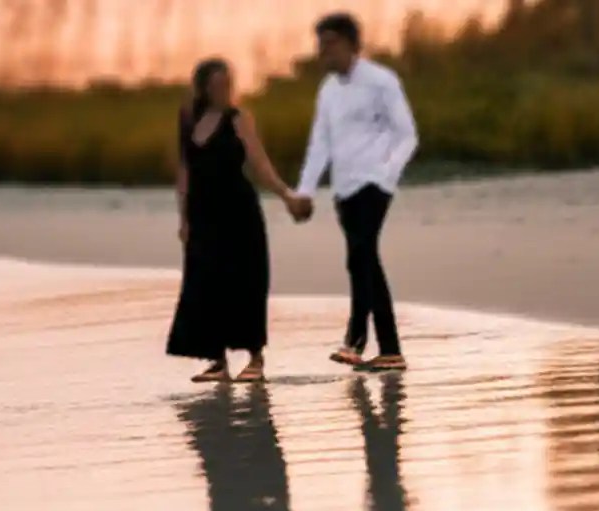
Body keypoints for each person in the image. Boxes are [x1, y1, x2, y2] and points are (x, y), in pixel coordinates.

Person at [167, 58, 310, 383]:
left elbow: (260, 164)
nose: (223, 91)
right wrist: (184, 218)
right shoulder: (189, 118)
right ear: (203, 87)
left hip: (238, 213)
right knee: (204, 283)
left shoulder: (239, 118)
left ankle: (255, 358)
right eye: (217, 85)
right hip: (203, 215)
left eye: (227, 85)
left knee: (245, 282)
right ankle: (217, 360)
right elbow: (184, 171)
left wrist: (286, 195)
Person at [292, 13, 418, 372]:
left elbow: (407, 133)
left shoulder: (381, 81)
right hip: (344, 188)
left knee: (361, 255)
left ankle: (356, 342)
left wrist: (386, 175)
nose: (324, 52)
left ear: (351, 44)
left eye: (330, 44)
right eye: (321, 46)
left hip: (374, 184)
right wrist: (305, 190)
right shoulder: (328, 91)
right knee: (361, 260)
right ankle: (389, 350)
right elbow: (320, 144)